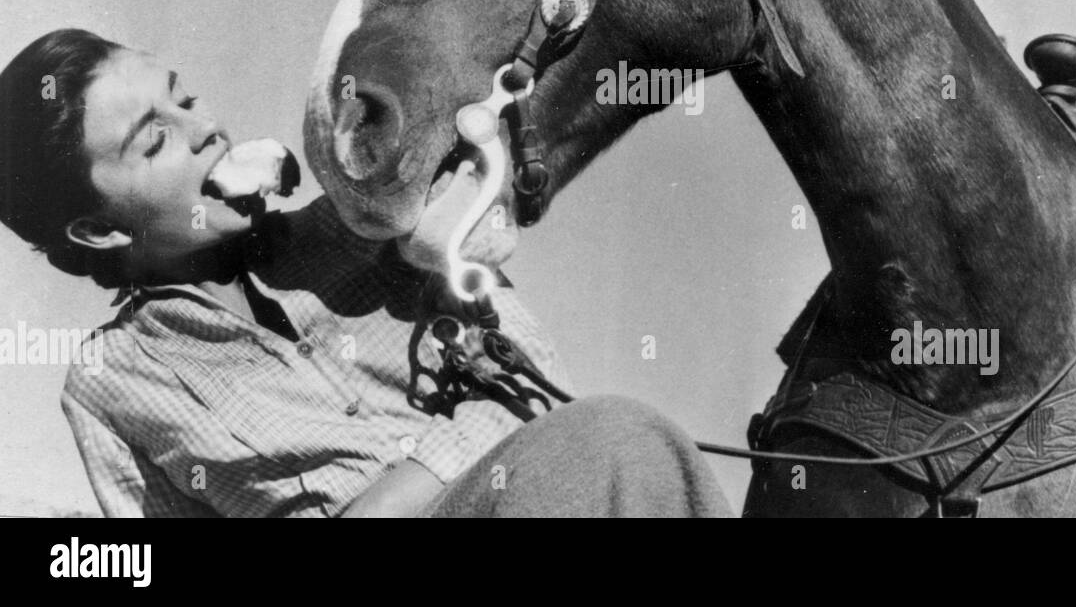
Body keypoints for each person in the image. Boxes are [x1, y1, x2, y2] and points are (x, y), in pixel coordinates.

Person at [0, 28, 732, 517]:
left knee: (629, 446)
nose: (203, 132)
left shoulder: (369, 225)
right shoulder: (113, 379)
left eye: (185, 100)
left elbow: (535, 385)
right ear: (97, 227)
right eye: (156, 139)